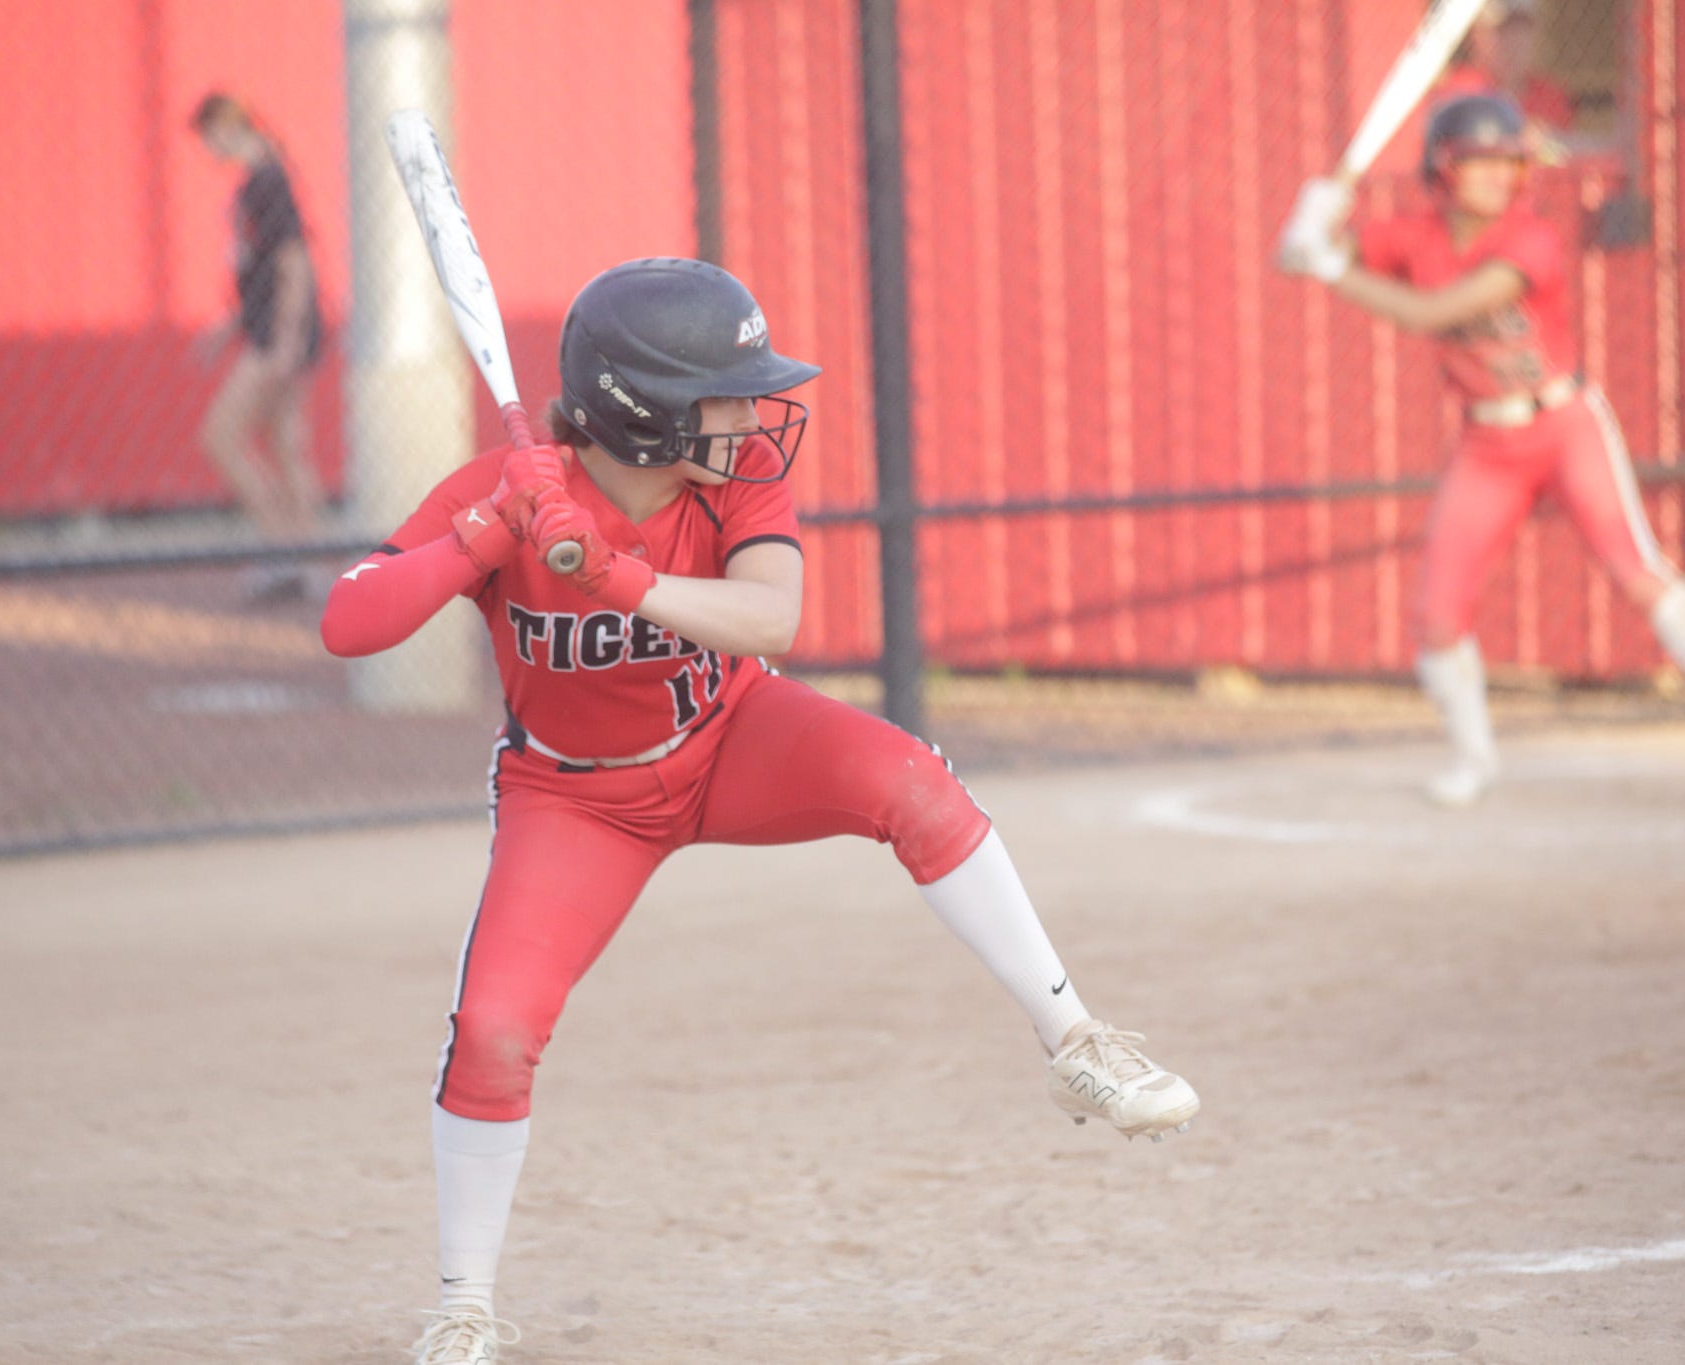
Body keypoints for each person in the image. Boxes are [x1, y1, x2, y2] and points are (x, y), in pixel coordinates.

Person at [319, 257, 1200, 1364]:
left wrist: (617, 578)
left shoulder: (732, 481)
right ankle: (463, 1304)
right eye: (722, 396)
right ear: (642, 415)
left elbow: (772, 620)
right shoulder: (497, 491)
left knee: (908, 782)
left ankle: (1075, 1041)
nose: (748, 416)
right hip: (573, 799)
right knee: (494, 1031)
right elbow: (349, 627)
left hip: (730, 737)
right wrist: (484, 537)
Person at [1273, 94, 1685, 809]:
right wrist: (1312, 226)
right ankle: (1474, 757)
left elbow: (1434, 310)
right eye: (1478, 163)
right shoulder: (1413, 235)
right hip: (1488, 441)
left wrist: (1327, 266)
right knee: (1437, 612)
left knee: (1640, 575)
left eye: (1507, 163)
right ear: (1442, 170)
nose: (1496, 177)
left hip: (1565, 424)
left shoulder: (1531, 238)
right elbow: (1319, 254)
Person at [188, 91, 327, 600]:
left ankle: (282, 549)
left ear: (225, 129)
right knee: (287, 445)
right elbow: (259, 268)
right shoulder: (255, 182)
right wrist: (227, 328)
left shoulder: (268, 178)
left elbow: (293, 259)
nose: (209, 151)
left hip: (277, 334)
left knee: (221, 437)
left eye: (208, 138)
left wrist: (288, 338)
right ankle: (305, 560)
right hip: (269, 327)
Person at [1436, 0, 1577, 138]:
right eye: (1500, 31)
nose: (1513, 43)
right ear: (1473, 34)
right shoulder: (1456, 91)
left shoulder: (1552, 97)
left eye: (1522, 30)